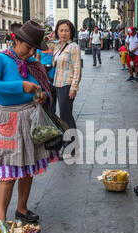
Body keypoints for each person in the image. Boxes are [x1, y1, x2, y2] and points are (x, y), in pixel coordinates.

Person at [0, 20, 58, 233]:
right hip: (8, 121)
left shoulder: (32, 63)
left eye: (35, 49)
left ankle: (22, 209)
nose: (32, 52)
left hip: (30, 120)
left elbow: (42, 86)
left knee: (28, 167)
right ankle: (0, 220)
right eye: (29, 47)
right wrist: (21, 86)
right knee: (8, 173)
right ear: (16, 41)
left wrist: (42, 94)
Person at [52, 19, 82, 158]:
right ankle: (69, 144)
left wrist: (74, 88)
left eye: (67, 30)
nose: (64, 33)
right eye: (61, 30)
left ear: (71, 32)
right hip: (57, 83)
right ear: (57, 31)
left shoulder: (73, 47)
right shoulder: (58, 45)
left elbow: (77, 68)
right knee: (63, 115)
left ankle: (72, 148)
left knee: (66, 116)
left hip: (67, 84)